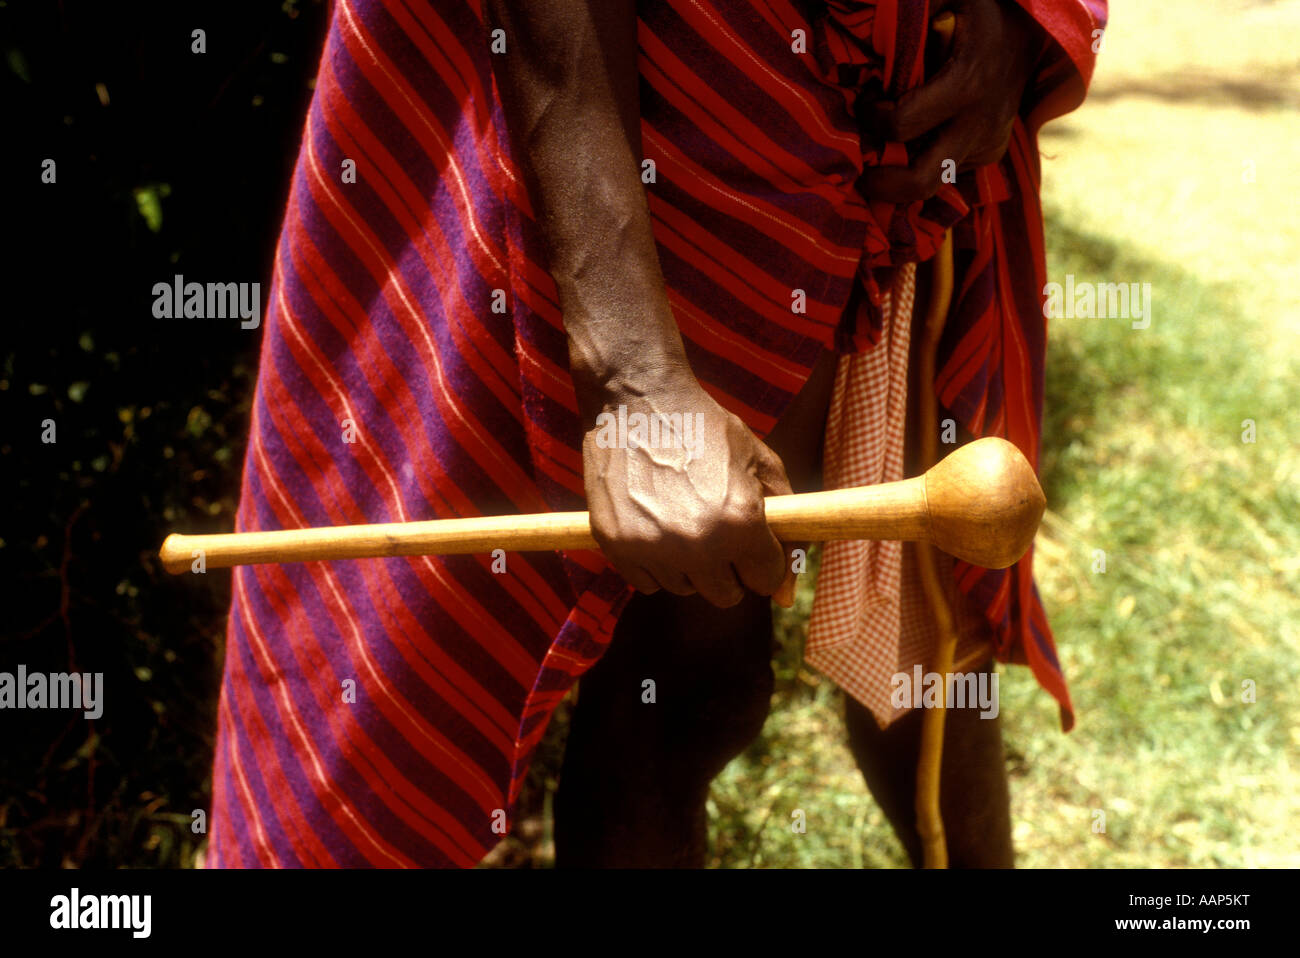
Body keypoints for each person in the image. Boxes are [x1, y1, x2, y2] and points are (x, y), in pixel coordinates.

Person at [205, 0, 1106, 868]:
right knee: (683, 676)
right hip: (673, 76)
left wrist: (1022, 17)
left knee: (916, 601)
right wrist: (637, 379)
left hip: (902, 83)